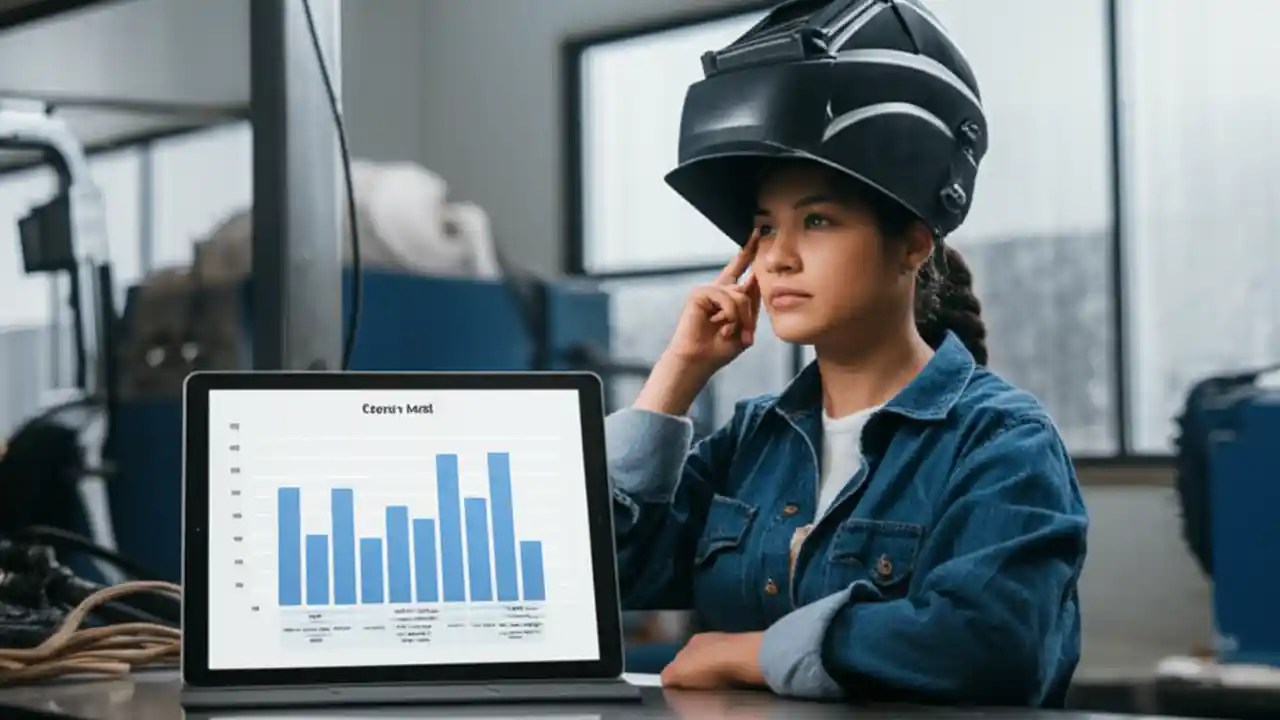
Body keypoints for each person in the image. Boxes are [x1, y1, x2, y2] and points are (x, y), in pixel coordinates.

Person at [603, 0, 1089, 707]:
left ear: (914, 243)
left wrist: (754, 654)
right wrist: (676, 377)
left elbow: (991, 643)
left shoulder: (1001, 441)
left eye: (819, 221)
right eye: (765, 229)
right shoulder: (752, 442)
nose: (780, 258)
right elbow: (607, 576)